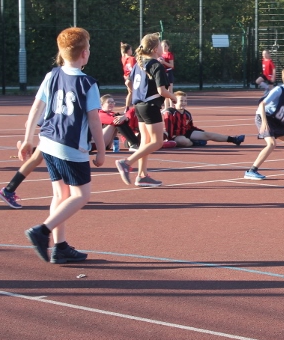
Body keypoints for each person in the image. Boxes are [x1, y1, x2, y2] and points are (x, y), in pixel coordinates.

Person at [21, 27, 104, 264]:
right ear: (85, 54)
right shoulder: (88, 83)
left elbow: (35, 108)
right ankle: (43, 231)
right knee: (81, 195)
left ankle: (60, 247)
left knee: (61, 193)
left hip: (47, 142)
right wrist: (99, 149)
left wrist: (28, 137)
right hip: (70, 146)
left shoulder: (52, 75)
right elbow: (94, 119)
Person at [115, 33, 176, 188]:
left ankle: (142, 175)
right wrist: (173, 97)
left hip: (139, 106)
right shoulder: (156, 65)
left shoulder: (139, 64)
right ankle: (126, 162)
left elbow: (128, 82)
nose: (163, 47)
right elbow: (162, 90)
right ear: (156, 48)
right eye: (161, 45)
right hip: (150, 106)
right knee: (157, 141)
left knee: (145, 141)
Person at [162, 91, 245, 147]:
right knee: (184, 141)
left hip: (186, 133)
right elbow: (168, 129)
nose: (184, 103)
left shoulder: (187, 114)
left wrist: (202, 133)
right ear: (174, 101)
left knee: (208, 135)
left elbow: (191, 127)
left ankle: (233, 139)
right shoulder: (169, 112)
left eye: (185, 101)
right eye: (181, 101)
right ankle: (195, 142)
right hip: (174, 136)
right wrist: (168, 139)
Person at [159, 39, 175, 110]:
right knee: (164, 91)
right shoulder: (160, 55)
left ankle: (172, 106)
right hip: (163, 73)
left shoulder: (169, 54)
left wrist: (164, 62)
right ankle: (166, 107)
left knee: (170, 90)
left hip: (168, 72)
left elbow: (172, 65)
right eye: (162, 46)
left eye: (165, 46)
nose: (164, 47)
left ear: (168, 47)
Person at [121, 42, 136, 109]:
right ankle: (135, 108)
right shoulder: (132, 59)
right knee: (135, 93)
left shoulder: (123, 58)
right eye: (131, 49)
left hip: (126, 77)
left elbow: (122, 53)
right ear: (128, 50)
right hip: (131, 77)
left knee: (130, 92)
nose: (131, 51)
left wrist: (121, 46)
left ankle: (127, 107)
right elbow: (134, 69)